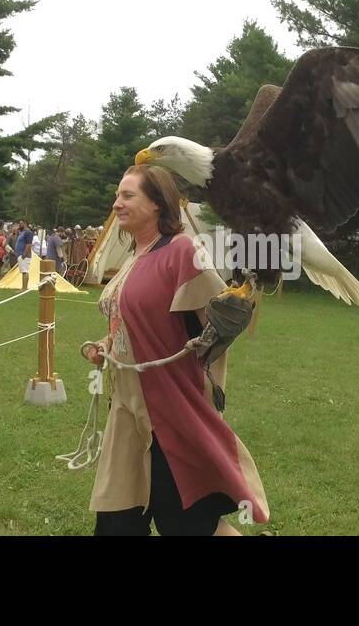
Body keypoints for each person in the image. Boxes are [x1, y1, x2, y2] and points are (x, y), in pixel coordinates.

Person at [81, 164, 268, 536]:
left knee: (188, 525)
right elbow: (129, 321)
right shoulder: (134, 257)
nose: (117, 203)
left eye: (128, 195)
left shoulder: (182, 251)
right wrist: (106, 345)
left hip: (169, 410)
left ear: (156, 204)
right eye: (117, 195)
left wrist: (232, 313)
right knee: (117, 520)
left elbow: (222, 319)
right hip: (127, 410)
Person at [15, 220, 34, 290]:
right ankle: (23, 287)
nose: (19, 225)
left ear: (25, 224)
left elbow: (29, 244)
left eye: (21, 223)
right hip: (21, 255)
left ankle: (24, 288)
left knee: (25, 271)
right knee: (23, 271)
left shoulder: (28, 233)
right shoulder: (22, 232)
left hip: (24, 255)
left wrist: (24, 254)